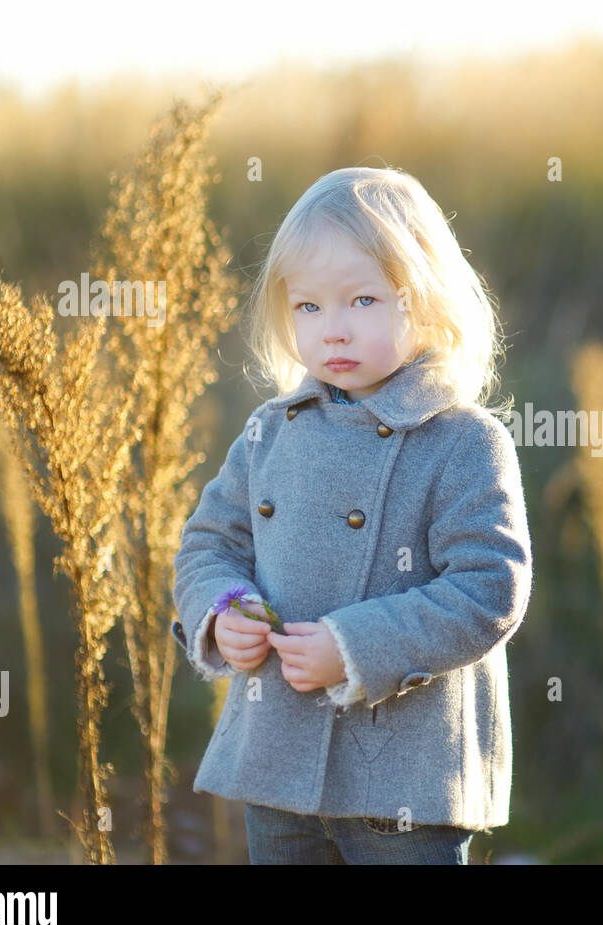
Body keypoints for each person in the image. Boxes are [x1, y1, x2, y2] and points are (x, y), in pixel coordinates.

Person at [170, 166, 532, 864]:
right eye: (307, 306)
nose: (332, 329)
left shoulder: (461, 438)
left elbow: (488, 589)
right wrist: (224, 609)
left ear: (424, 302)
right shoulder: (270, 430)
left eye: (362, 299)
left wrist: (356, 646)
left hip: (404, 781)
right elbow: (208, 543)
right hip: (277, 765)